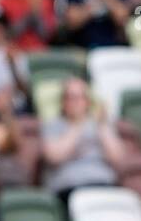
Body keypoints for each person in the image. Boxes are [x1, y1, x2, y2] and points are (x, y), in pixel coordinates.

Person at [42, 78, 124, 210]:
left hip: (105, 186)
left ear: (88, 101)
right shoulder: (53, 125)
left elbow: (118, 158)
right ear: (63, 102)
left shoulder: (100, 124)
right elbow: (55, 156)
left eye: (80, 97)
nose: (76, 102)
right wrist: (77, 124)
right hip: (72, 189)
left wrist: (103, 126)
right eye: (71, 97)